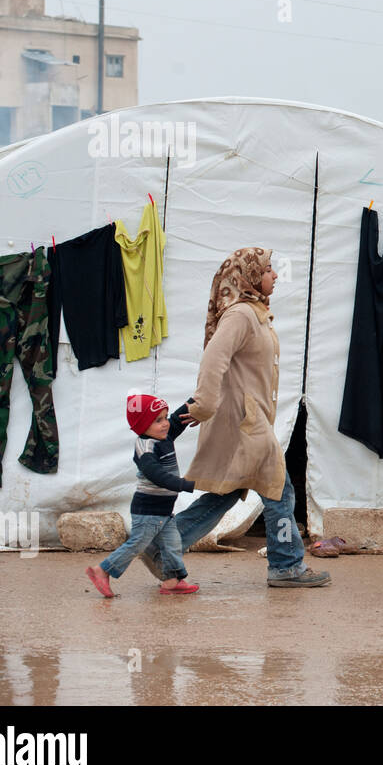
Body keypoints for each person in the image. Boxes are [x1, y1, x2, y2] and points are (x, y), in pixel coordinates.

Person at [141, 247, 331, 588]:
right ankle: (286, 565)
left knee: (226, 493)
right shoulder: (240, 315)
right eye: (268, 269)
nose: (274, 275)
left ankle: (161, 547)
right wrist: (202, 405)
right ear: (249, 276)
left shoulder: (255, 313)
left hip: (249, 419)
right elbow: (213, 360)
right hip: (245, 423)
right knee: (279, 490)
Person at [86, 395, 199, 597]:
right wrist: (184, 484)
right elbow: (156, 474)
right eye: (158, 420)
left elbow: (176, 420)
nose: (165, 424)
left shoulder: (164, 435)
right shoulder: (145, 447)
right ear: (142, 425)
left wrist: (193, 400)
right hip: (148, 510)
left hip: (164, 510)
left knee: (173, 544)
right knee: (137, 543)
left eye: (164, 417)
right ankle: (102, 570)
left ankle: (173, 580)